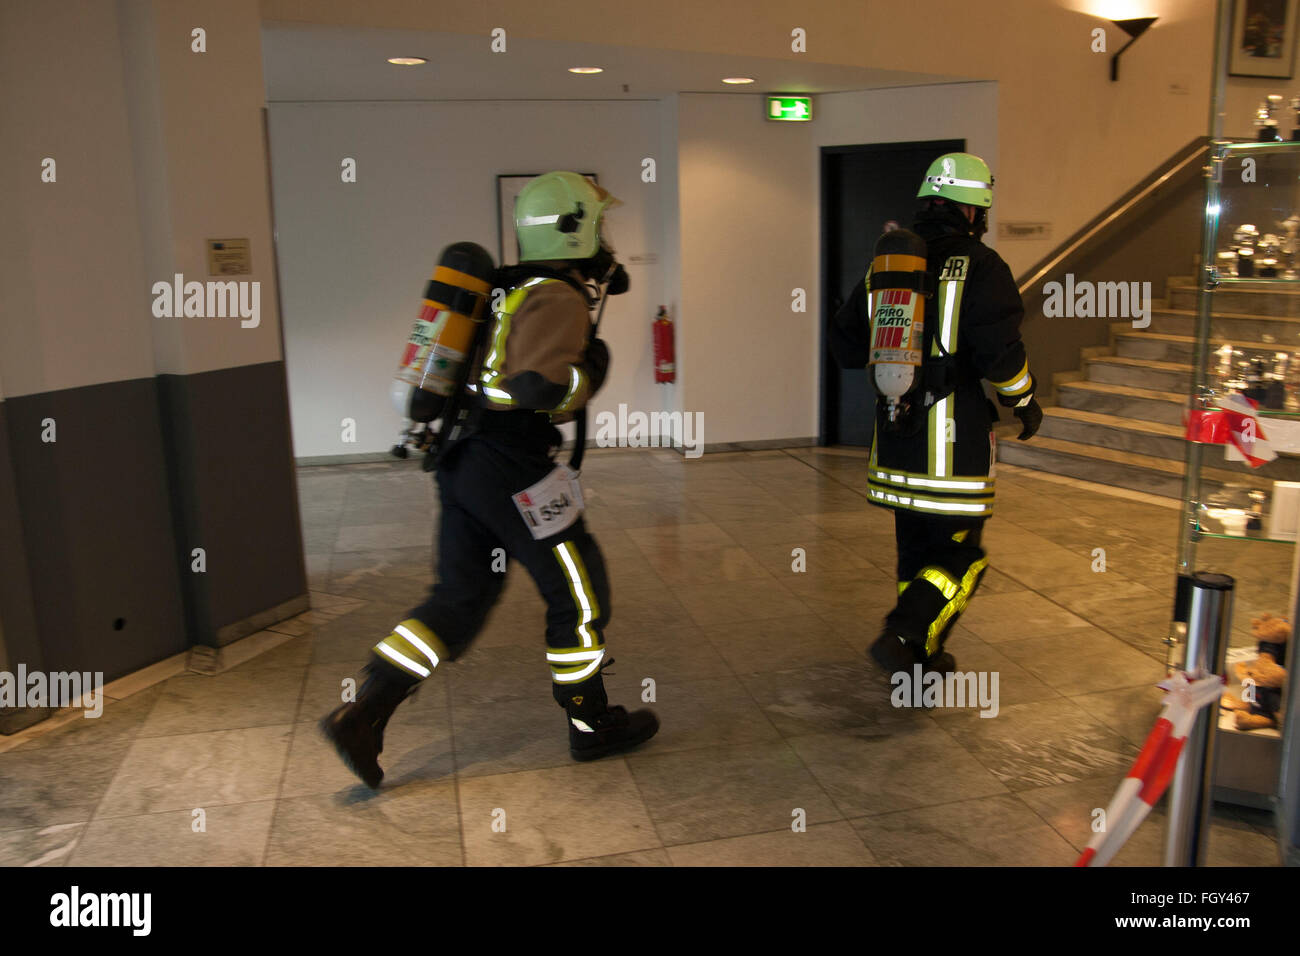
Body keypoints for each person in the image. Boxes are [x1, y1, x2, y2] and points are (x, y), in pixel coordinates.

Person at [322, 171, 658, 788]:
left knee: (460, 597)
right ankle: (591, 723)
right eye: (598, 223)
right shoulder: (556, 295)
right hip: (511, 465)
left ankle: (364, 711)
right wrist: (591, 370)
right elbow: (538, 389)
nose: (605, 236)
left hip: (461, 462)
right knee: (579, 593)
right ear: (575, 228)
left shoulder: (503, 288)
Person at [830, 152, 1042, 677]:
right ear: (972, 212)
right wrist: (1024, 401)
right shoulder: (982, 265)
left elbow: (845, 345)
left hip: (894, 441)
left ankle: (920, 661)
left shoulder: (886, 268)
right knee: (961, 558)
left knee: (916, 557)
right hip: (952, 448)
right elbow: (1002, 355)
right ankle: (904, 633)